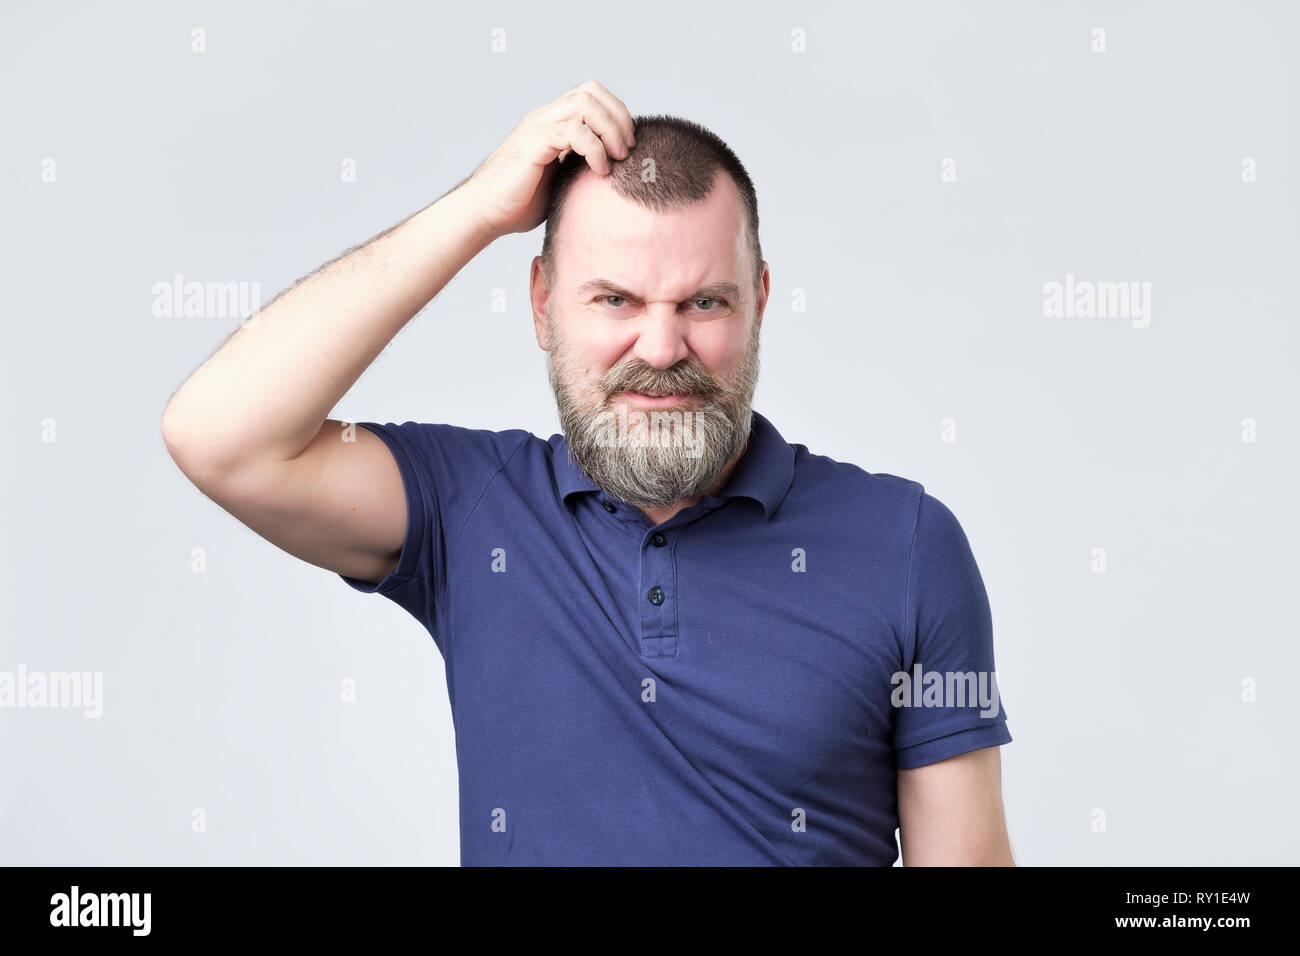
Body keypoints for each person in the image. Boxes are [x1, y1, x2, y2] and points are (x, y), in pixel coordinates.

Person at [162, 80, 1015, 866]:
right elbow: (219, 437)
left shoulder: (909, 544)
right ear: (542, 304)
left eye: (703, 303)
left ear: (759, 299)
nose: (660, 349)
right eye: (616, 300)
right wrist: (477, 209)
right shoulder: (471, 508)